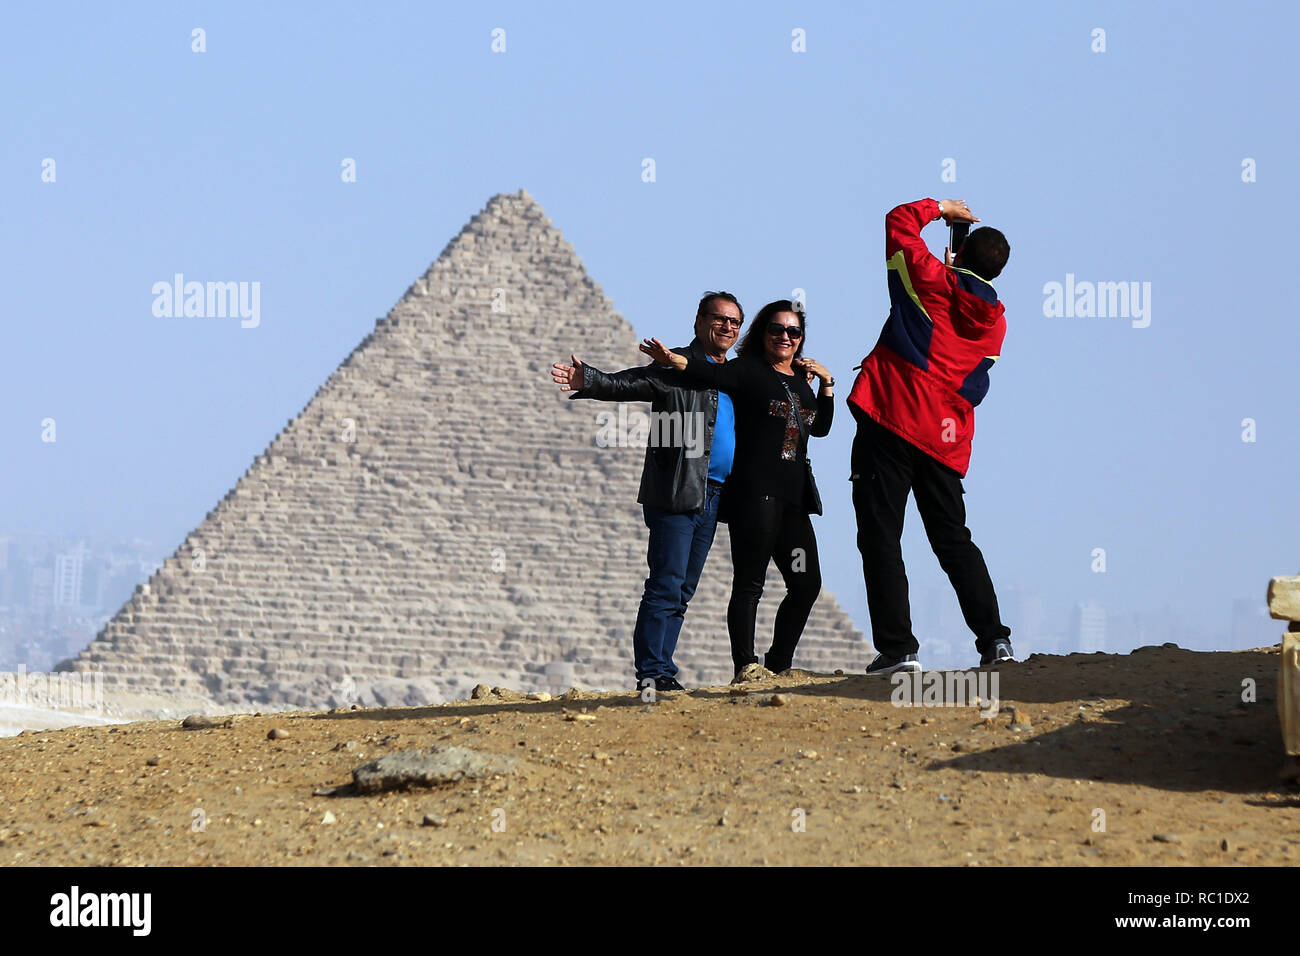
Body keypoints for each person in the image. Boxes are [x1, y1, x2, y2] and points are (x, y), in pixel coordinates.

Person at [847, 197, 1013, 675]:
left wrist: (941, 208)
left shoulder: (928, 278)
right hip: (945, 440)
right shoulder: (998, 322)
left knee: (881, 536)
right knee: (953, 539)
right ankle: (994, 642)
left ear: (958, 257)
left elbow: (898, 221)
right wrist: (955, 274)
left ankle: (899, 650)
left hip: (892, 418)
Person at [551, 292, 743, 693]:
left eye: (735, 322)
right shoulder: (675, 367)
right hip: (677, 490)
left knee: (684, 588)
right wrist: (591, 380)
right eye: (720, 318)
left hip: (717, 495)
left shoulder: (738, 375)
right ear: (699, 320)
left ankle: (662, 668)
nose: (728, 327)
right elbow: (631, 382)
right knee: (666, 582)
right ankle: (653, 673)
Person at [640, 300, 834, 681]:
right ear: (762, 333)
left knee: (805, 582)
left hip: (793, 501)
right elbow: (704, 372)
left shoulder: (799, 381)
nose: (785, 337)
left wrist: (827, 384)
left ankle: (778, 662)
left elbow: (821, 427)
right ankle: (746, 665)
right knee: (750, 582)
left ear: (801, 339)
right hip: (755, 494)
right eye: (777, 329)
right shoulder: (747, 371)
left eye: (793, 332)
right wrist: (671, 359)